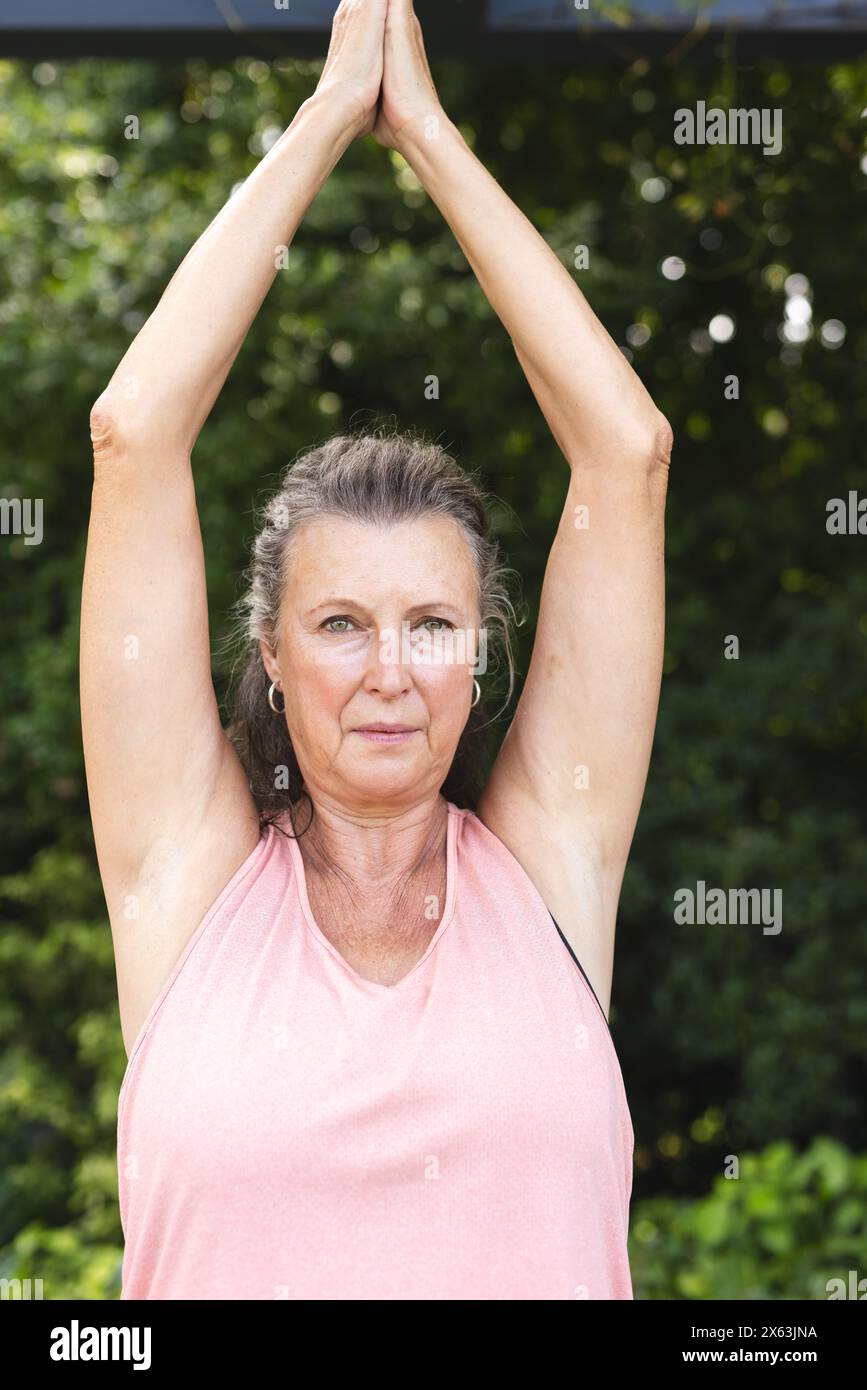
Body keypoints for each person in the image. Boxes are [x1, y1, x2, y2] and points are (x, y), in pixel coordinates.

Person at [82, 0, 672, 1301]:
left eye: (432, 624)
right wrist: (333, 109)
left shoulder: (548, 876)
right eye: (342, 623)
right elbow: (134, 430)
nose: (391, 669)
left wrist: (431, 134)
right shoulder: (188, 887)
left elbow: (626, 457)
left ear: (482, 651)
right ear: (272, 651)